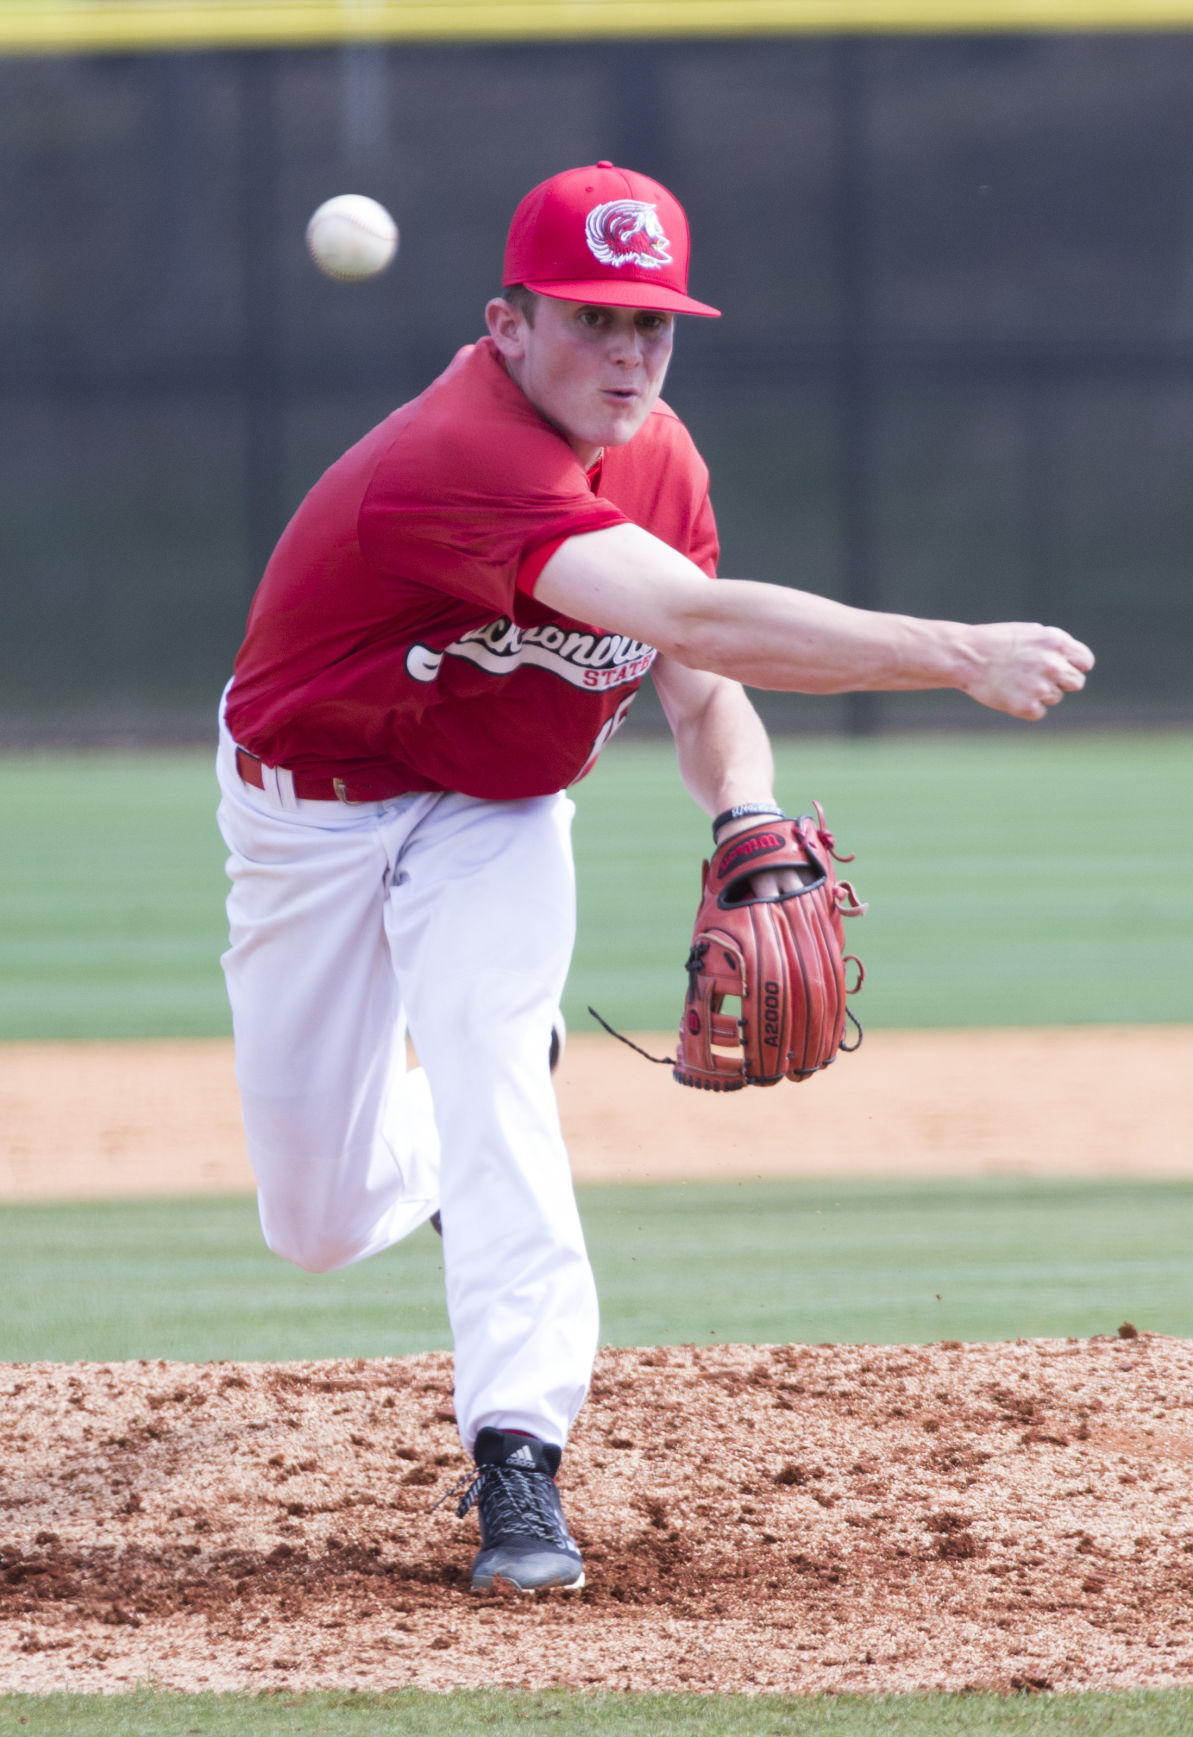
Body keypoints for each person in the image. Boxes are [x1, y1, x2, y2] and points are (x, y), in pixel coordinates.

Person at [215, 162, 1093, 1594]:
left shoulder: (660, 457)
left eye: (654, 325)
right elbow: (688, 609)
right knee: (314, 1223)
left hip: (495, 814)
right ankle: (445, 1131)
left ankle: (517, 1456)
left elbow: (697, 679)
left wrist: (743, 805)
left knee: (497, 1084)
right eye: (593, 318)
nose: (629, 355)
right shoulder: (458, 455)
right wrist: (953, 647)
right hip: (309, 813)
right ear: (507, 322)